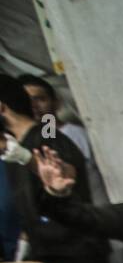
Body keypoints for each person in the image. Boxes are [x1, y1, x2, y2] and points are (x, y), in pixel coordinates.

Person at [0, 73, 109, 263]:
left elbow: (64, 174)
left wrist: (26, 157)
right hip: (49, 257)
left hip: (76, 256)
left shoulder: (46, 138)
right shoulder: (17, 148)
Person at [19, 74, 109, 205]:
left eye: (39, 99)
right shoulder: (27, 141)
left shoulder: (74, 133)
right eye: (27, 100)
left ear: (56, 103)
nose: (33, 106)